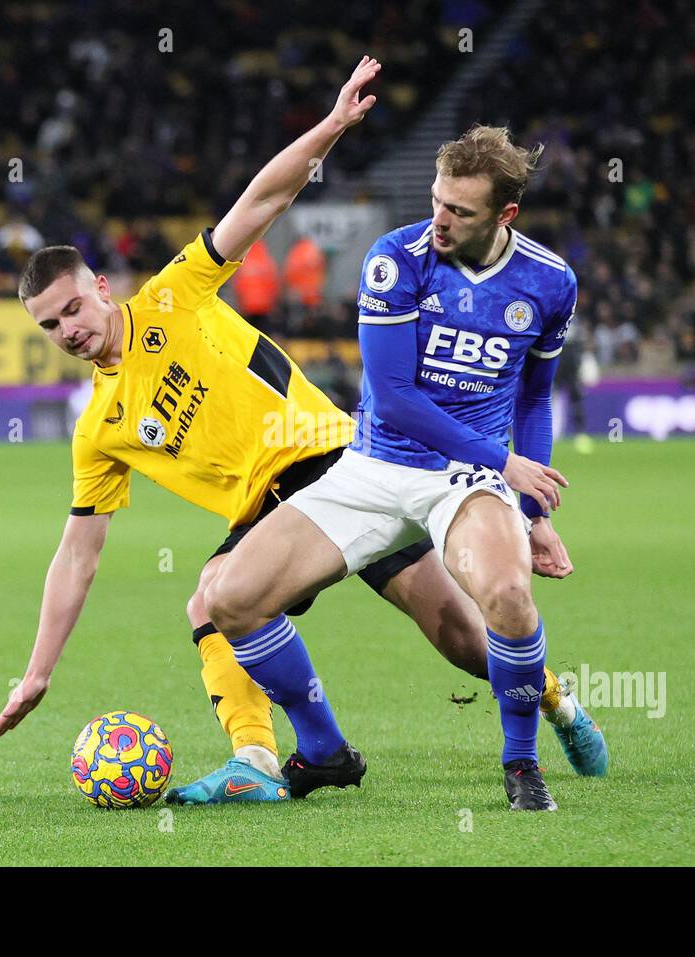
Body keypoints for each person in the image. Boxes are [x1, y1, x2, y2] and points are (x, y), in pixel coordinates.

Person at [0, 64, 606, 804]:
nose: (68, 331)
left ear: (100, 287)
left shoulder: (172, 295)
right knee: (213, 599)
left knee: (458, 632)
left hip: (335, 455)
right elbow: (77, 553)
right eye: (49, 325)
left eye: (70, 309)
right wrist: (38, 670)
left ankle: (556, 700)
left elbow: (263, 198)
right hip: (268, 508)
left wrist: (334, 124)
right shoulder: (99, 429)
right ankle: (274, 754)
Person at [204, 125, 598, 811]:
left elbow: (535, 396)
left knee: (503, 595)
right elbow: (394, 398)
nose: (440, 220)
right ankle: (325, 749)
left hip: (465, 481)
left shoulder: (550, 281)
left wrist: (531, 512)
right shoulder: (395, 260)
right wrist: (504, 460)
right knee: (230, 597)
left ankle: (522, 761)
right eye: (437, 200)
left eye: (460, 211)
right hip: (375, 466)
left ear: (505, 215)